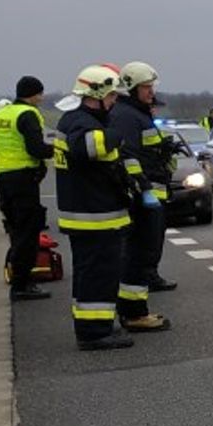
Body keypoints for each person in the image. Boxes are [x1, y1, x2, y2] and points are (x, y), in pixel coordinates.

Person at [54, 66, 135, 351]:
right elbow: (88, 147)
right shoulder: (81, 123)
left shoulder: (76, 119)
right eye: (112, 95)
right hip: (94, 216)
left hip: (91, 214)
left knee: (90, 275)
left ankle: (94, 325)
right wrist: (116, 134)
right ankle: (94, 333)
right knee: (98, 276)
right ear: (96, 94)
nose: (114, 101)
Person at [107, 62, 172, 332]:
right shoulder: (127, 116)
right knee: (138, 255)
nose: (151, 92)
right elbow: (127, 156)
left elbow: (143, 151)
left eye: (152, 87)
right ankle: (134, 314)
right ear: (131, 88)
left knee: (143, 254)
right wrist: (143, 188)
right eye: (146, 87)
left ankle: (134, 310)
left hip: (151, 192)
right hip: (141, 196)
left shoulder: (136, 113)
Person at [0, 80, 54, 301]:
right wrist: (56, 149)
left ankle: (16, 276)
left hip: (4, 176)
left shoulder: (1, 114)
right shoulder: (28, 114)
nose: (42, 98)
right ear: (33, 94)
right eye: (40, 94)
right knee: (28, 231)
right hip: (24, 177)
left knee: (16, 230)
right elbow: (36, 148)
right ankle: (22, 284)